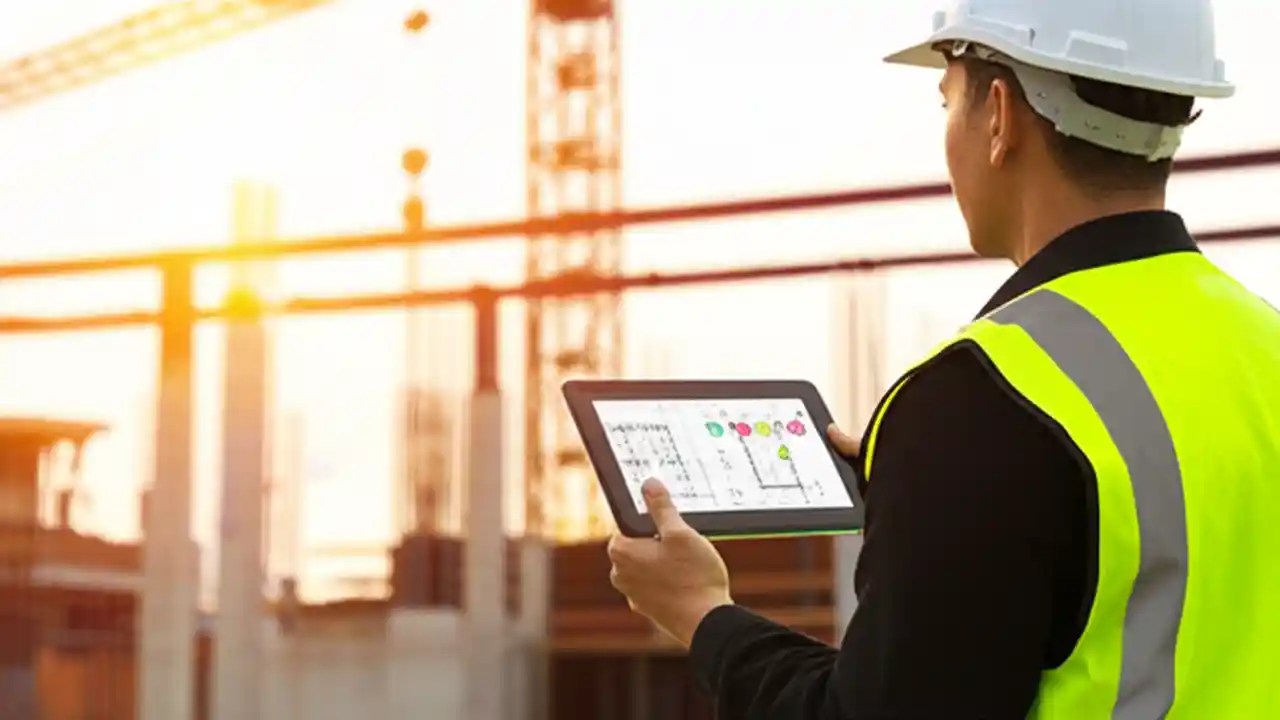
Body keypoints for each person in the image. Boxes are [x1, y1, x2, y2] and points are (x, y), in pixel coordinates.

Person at [607, 0, 1280, 717]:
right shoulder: (1260, 340)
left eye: (946, 100)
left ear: (998, 116)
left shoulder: (982, 398)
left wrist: (703, 614)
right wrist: (930, 487)